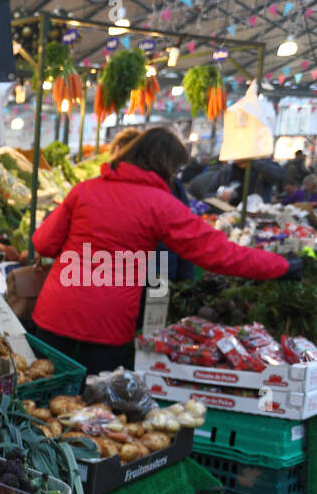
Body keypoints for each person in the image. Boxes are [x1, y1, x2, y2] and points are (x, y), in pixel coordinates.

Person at [30, 126, 294, 373]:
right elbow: (217, 252)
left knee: (43, 394)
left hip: (56, 311)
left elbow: (43, 243)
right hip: (107, 321)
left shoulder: (85, 190)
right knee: (95, 408)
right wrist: (281, 266)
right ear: (166, 165)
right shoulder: (161, 204)